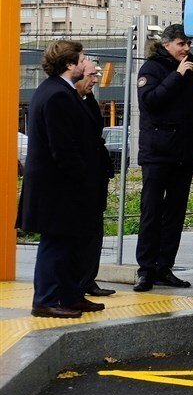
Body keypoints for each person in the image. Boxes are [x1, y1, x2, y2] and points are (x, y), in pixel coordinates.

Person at [18, 42, 111, 318]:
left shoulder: (60, 91)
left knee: (70, 242)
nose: (86, 64)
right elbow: (63, 147)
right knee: (56, 243)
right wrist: (82, 178)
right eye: (82, 59)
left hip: (61, 185)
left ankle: (71, 296)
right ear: (70, 65)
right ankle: (45, 300)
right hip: (57, 186)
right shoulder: (58, 95)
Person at [133, 24, 193, 292]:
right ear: (166, 45)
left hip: (183, 153)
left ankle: (164, 267)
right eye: (181, 44)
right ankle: (145, 270)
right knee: (151, 212)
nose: (186, 48)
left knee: (175, 214)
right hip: (156, 154)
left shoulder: (192, 73)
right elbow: (151, 102)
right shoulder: (151, 68)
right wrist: (176, 76)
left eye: (188, 43)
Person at [75, 58, 116, 298]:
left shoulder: (87, 100)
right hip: (80, 178)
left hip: (94, 177)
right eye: (91, 75)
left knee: (94, 230)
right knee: (78, 233)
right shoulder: (65, 100)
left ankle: (88, 279)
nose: (95, 79)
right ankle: (77, 283)